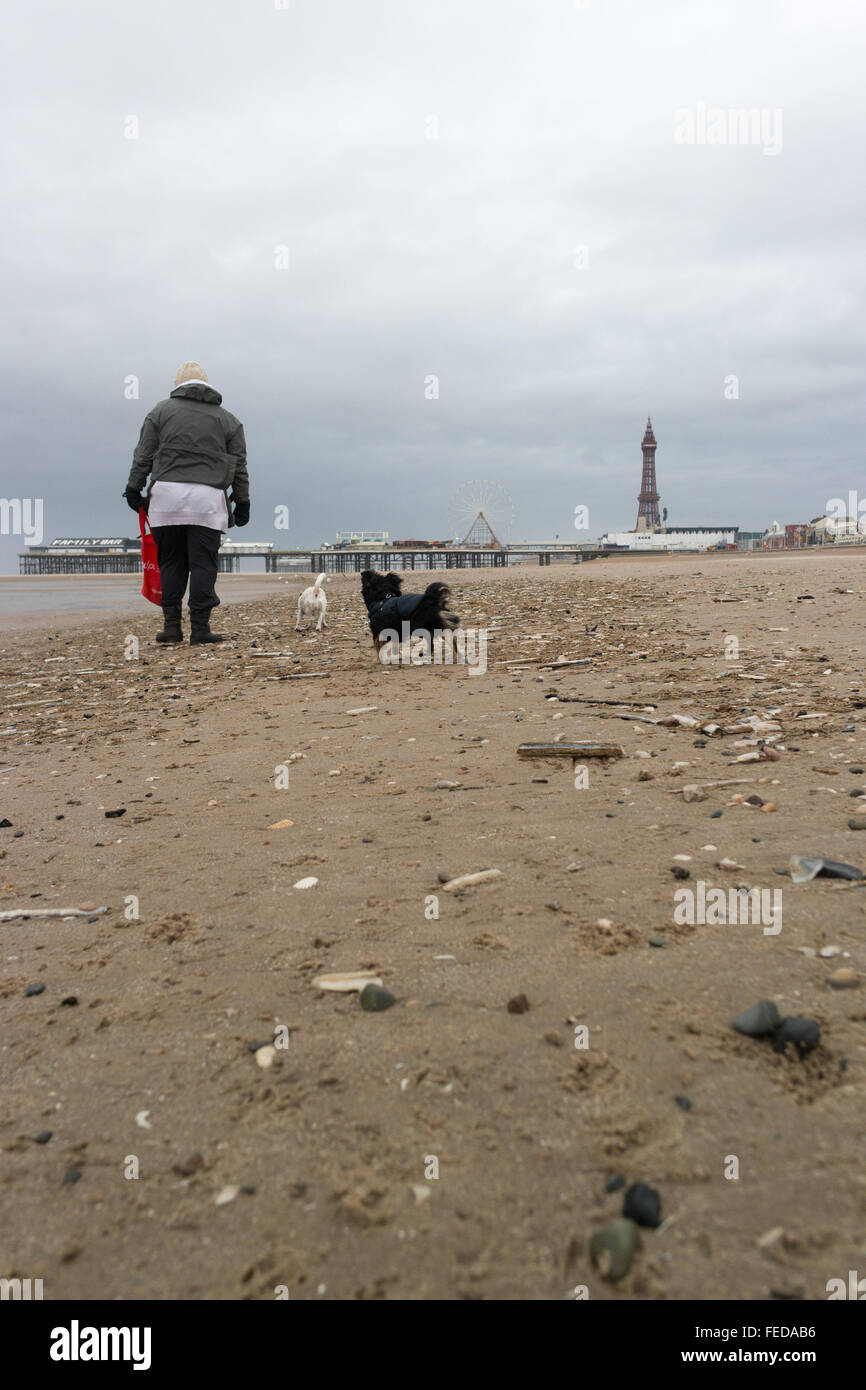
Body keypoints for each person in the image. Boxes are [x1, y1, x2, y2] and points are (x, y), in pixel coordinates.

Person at [124, 362, 250, 644]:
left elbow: (142, 456)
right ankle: (201, 629)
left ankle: (171, 628)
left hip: (166, 500)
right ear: (207, 386)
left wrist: (133, 488)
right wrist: (243, 502)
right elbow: (239, 466)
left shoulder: (159, 412)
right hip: (208, 501)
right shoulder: (228, 420)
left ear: (177, 386)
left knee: (170, 562)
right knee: (203, 564)